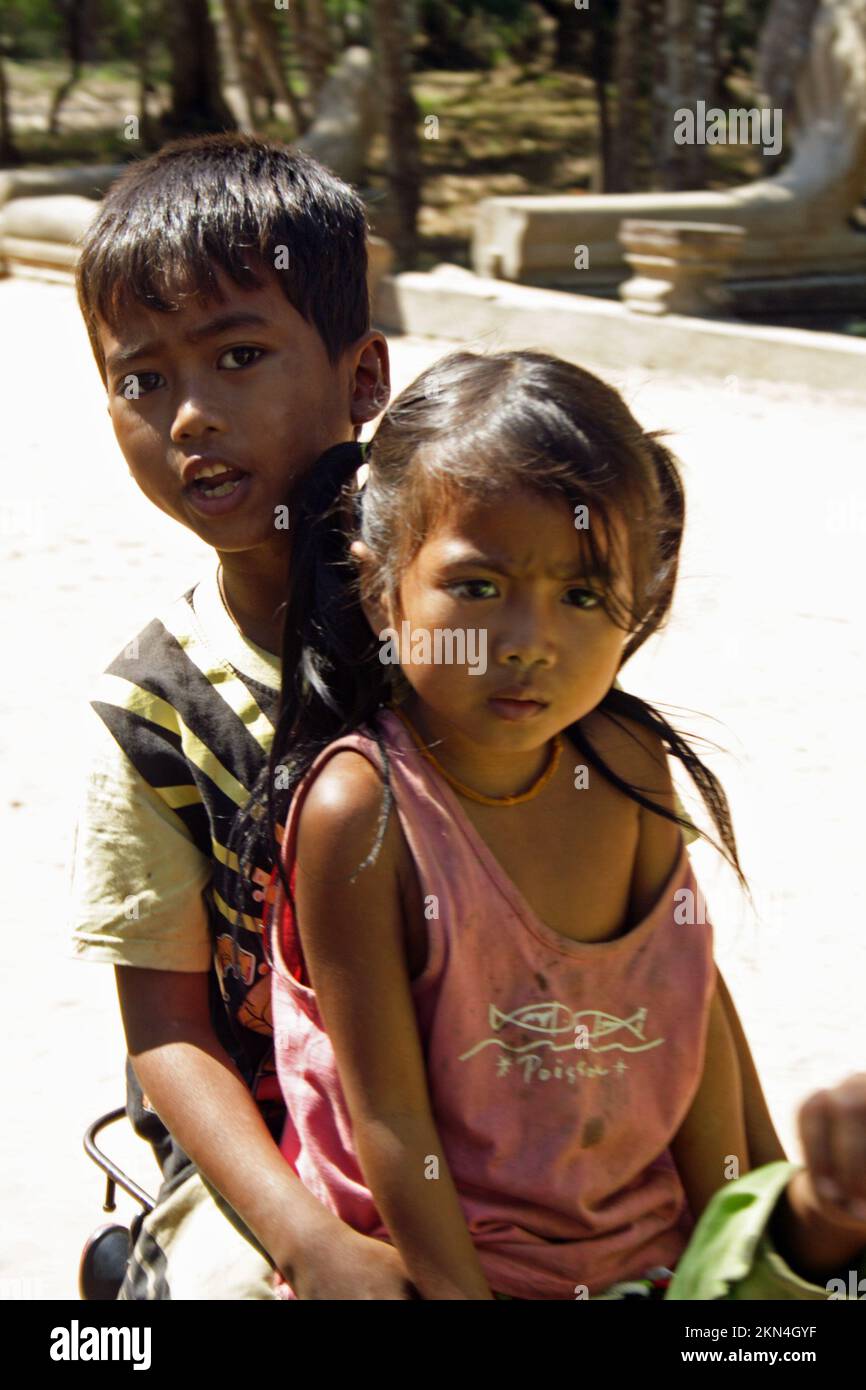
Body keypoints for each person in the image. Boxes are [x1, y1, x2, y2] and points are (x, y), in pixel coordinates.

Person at [235, 350, 866, 1300]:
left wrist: (757, 1243)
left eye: (581, 596)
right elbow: (393, 1123)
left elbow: (685, 1022)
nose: (528, 640)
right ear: (381, 590)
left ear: (637, 608)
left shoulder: (625, 768)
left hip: (645, 1262)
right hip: (446, 1267)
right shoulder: (359, 812)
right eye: (479, 588)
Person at [68, 132, 428, 1299]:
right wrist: (306, 1241)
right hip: (282, 1151)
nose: (187, 417)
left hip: (503, 1100)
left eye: (237, 356)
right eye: (143, 378)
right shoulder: (156, 708)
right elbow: (166, 1035)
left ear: (362, 378)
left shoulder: (467, 638)